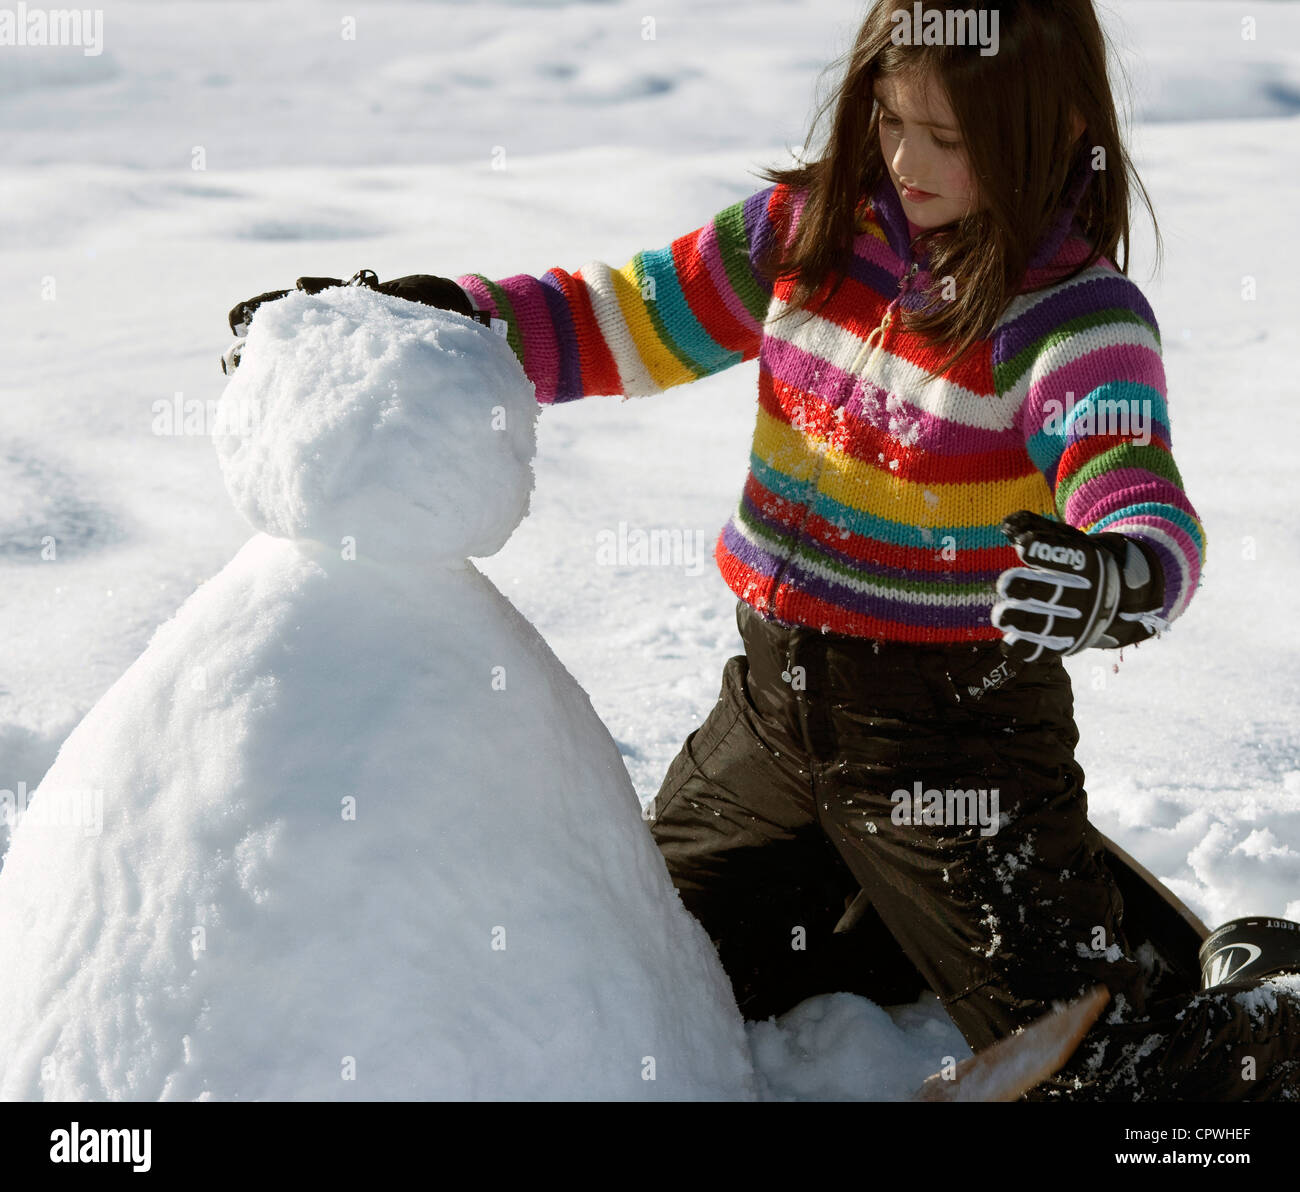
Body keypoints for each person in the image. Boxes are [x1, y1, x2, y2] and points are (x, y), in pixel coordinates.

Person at [224, 0, 1300, 1100]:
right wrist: (441, 319)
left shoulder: (1070, 316)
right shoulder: (811, 230)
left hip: (951, 743)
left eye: (949, 138)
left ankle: (1268, 1004)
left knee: (1100, 1070)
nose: (905, 162)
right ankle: (889, 897)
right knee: (635, 970)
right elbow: (625, 316)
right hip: (770, 720)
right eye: (889, 120)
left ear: (1049, 124)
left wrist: (1117, 573)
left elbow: (1130, 481)